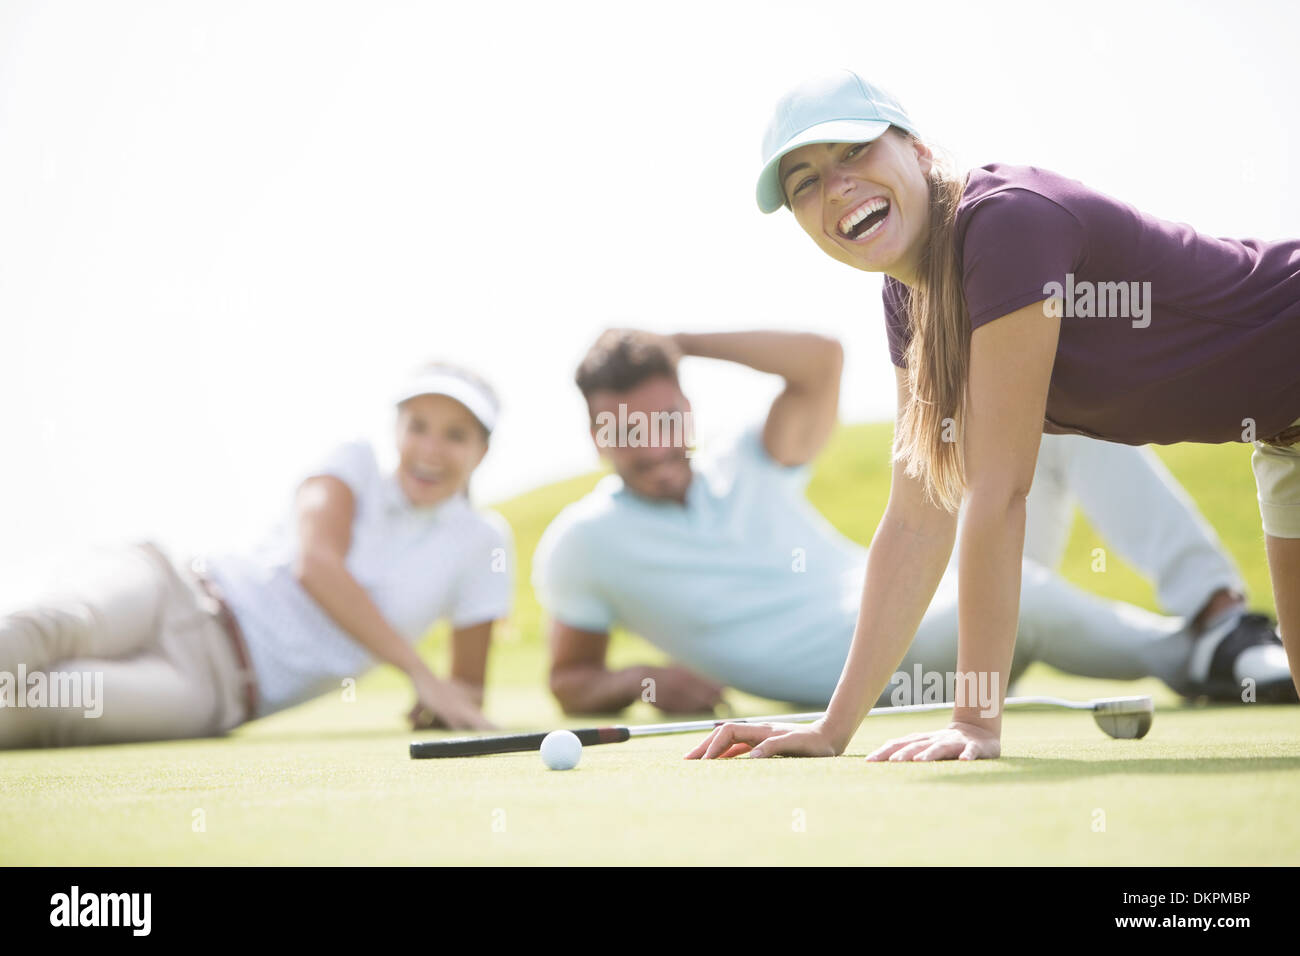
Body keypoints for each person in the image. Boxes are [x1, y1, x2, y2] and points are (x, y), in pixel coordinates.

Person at [690, 70, 1300, 762]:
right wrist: (832, 729)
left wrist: (975, 721)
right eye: (805, 183)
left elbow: (999, 490)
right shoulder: (908, 297)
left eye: (853, 151)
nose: (835, 187)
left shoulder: (1007, 222)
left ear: (917, 149)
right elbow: (917, 517)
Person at [534, 329, 1292, 723]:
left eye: (666, 418)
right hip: (878, 669)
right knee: (1013, 593)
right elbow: (569, 679)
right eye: (628, 430)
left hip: (917, 605)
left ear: (687, 409)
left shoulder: (748, 461)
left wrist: (678, 341)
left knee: (1049, 423)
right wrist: (643, 680)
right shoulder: (583, 542)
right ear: (597, 437)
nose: (654, 445)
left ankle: (1220, 615)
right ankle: (1197, 659)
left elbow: (821, 359)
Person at [0, 362, 512, 748]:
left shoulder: (483, 543)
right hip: (175, 591)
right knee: (51, 627)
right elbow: (316, 566)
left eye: (455, 435)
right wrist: (421, 674)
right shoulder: (352, 460)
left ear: (482, 451)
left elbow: (466, 689)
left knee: (53, 700)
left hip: (214, 690)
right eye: (418, 426)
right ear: (397, 430)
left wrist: (443, 704)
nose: (430, 449)